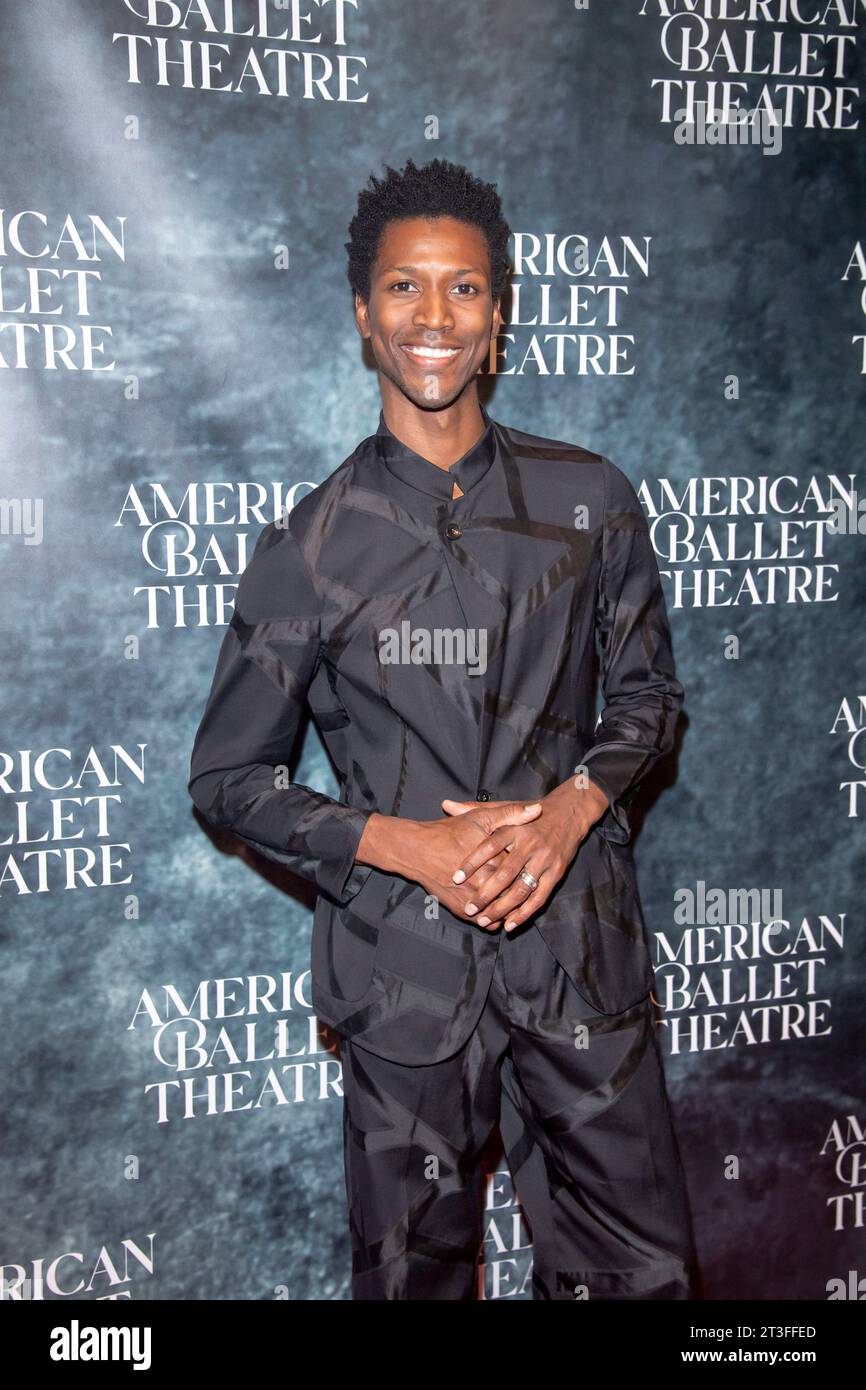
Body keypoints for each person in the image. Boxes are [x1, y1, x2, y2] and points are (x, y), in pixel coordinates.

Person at [188, 157, 698, 1301]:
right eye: (404, 289)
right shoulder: (308, 547)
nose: (434, 317)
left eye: (463, 288)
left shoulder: (590, 500)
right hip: (403, 983)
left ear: (499, 313)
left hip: (578, 964)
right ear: (363, 315)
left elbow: (648, 700)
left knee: (640, 1279)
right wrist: (399, 843)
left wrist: (570, 811)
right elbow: (226, 778)